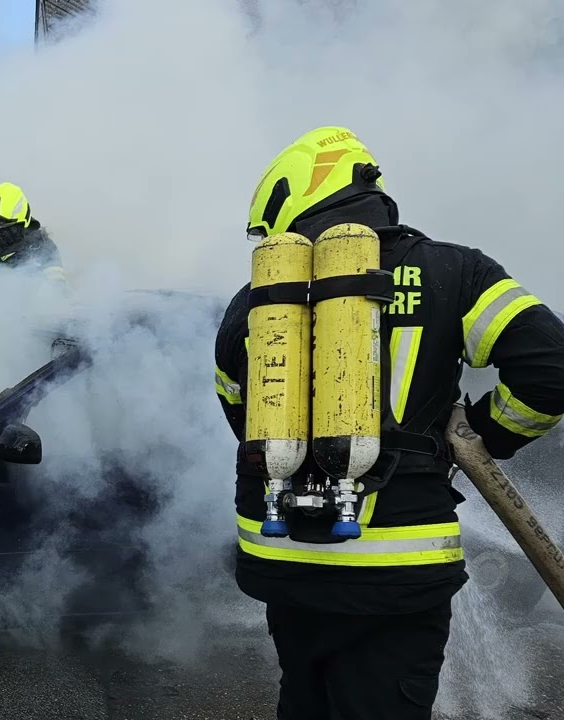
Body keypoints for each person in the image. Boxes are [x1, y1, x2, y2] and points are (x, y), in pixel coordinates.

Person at [212, 125, 564, 719]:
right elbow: (552, 371)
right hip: (398, 564)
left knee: (304, 700)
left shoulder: (257, 300)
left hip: (283, 559)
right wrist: (477, 437)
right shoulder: (457, 271)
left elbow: (239, 410)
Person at [0, 181, 67, 285]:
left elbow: (58, 289)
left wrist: (19, 261)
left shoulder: (43, 247)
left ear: (22, 225)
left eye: (4, 229)